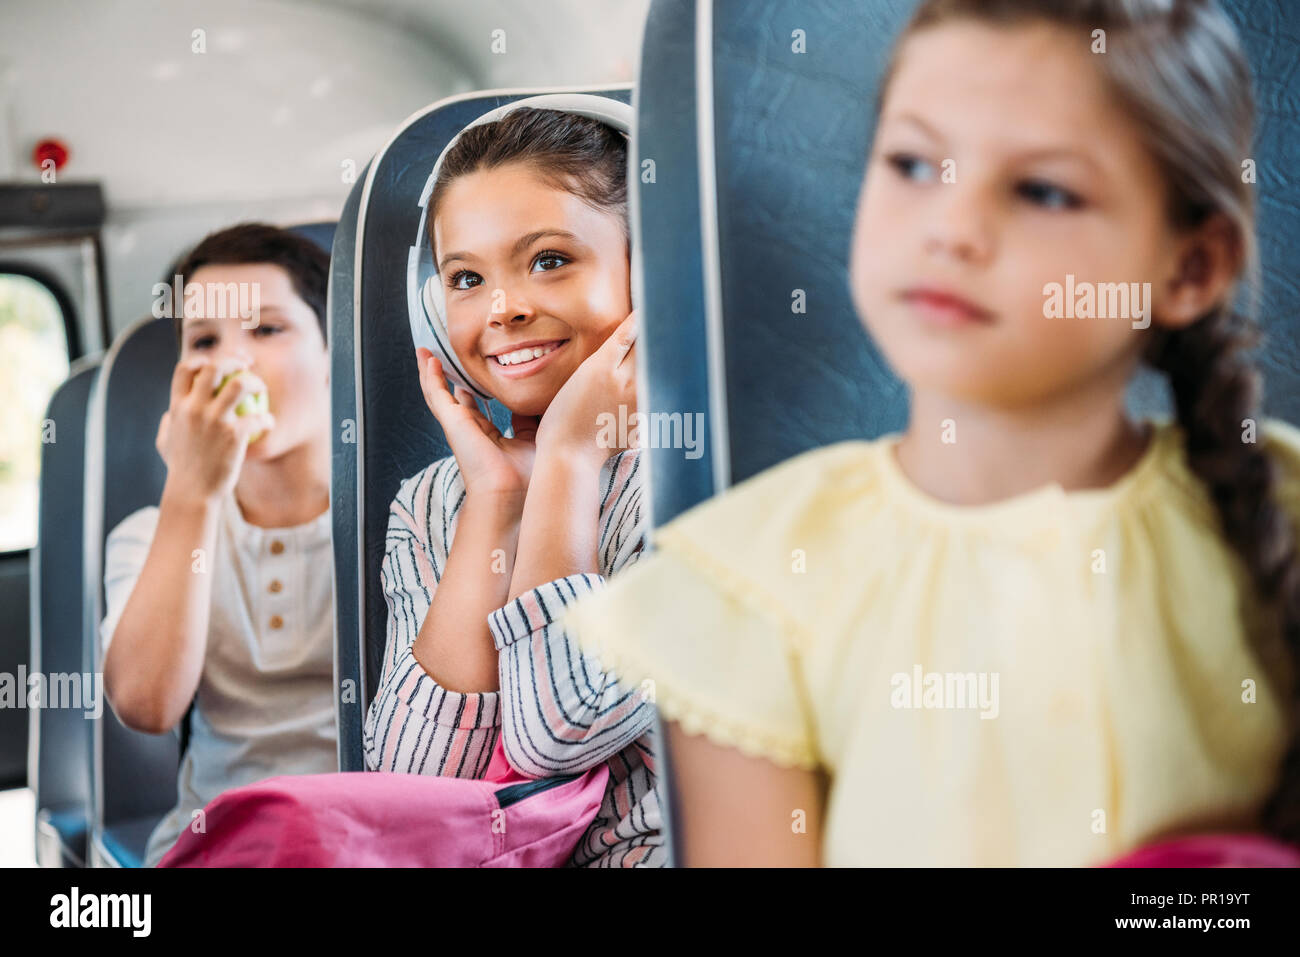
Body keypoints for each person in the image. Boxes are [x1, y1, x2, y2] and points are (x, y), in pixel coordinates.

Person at [565, 0, 1300, 865]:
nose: (952, 228)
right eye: (914, 164)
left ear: (1189, 267)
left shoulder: (1277, 502)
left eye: (1042, 190)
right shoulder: (746, 586)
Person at [363, 105, 664, 867]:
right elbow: (408, 794)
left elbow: (557, 729)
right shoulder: (435, 505)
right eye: (466, 277)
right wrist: (495, 505)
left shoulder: (701, 471)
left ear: (652, 267)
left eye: (549, 259)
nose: (505, 308)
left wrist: (568, 457)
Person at [101, 223, 336, 867]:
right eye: (204, 340)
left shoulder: (408, 517)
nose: (231, 362)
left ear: (331, 353)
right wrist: (194, 490)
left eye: (266, 330)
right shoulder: (149, 535)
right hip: (219, 846)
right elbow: (146, 704)